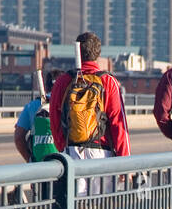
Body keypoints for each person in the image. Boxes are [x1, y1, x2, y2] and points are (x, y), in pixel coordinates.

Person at [49, 31, 130, 198]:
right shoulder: (108, 81)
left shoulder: (63, 81)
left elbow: (54, 120)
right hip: (102, 153)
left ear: (77, 51)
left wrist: (63, 146)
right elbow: (118, 123)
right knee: (103, 206)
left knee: (74, 205)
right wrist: (125, 161)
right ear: (98, 54)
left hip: (72, 152)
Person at [15, 69, 60, 162]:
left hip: (39, 162)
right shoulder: (68, 104)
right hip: (63, 162)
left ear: (46, 87)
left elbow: (18, 137)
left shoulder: (32, 106)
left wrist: (30, 160)